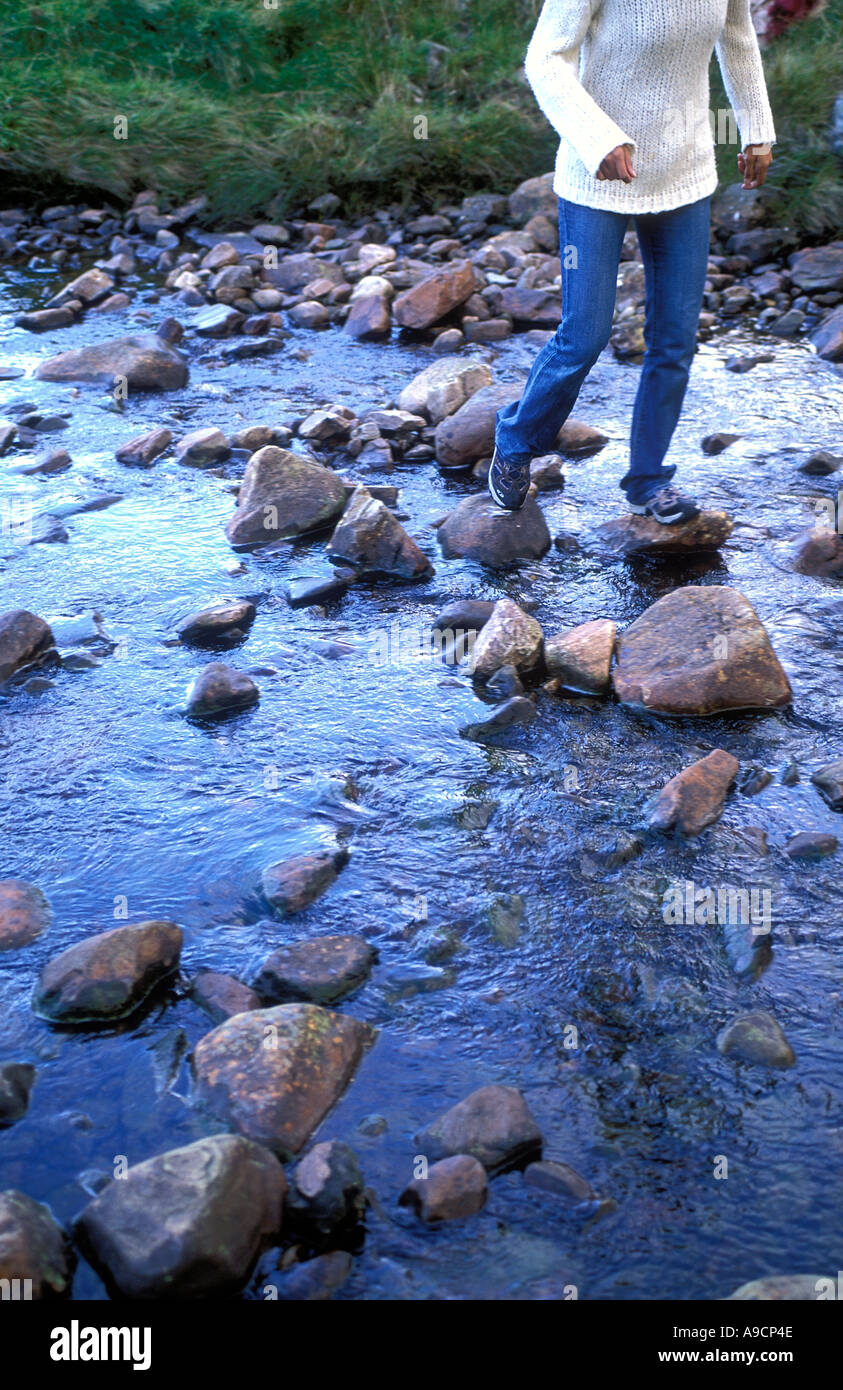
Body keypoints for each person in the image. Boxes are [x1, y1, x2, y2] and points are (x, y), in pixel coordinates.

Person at [489, 0, 776, 523]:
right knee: (586, 334)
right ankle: (515, 441)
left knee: (674, 338)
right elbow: (546, 58)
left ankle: (648, 481)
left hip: (684, 172)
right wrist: (598, 137)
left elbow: (737, 37)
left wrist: (755, 127)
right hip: (595, 172)